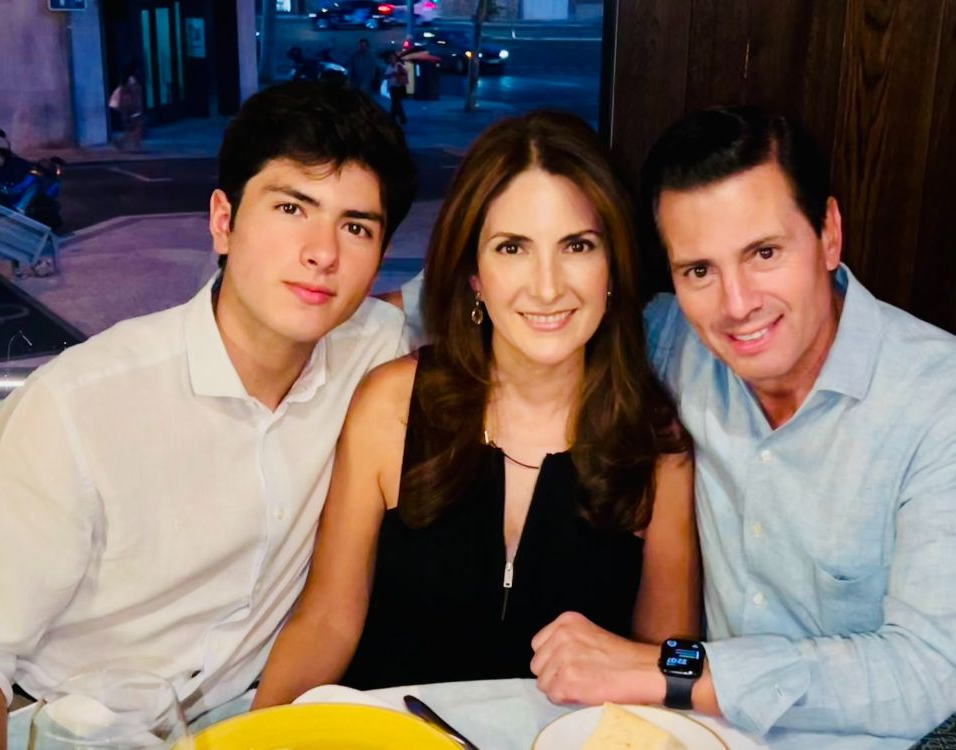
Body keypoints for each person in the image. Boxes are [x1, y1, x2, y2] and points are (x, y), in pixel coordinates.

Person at [0, 80, 417, 750]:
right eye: (292, 208)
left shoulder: (372, 350)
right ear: (224, 221)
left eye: (356, 227)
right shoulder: (80, 406)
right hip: (73, 727)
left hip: (249, 721)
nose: (323, 253)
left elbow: (479, 302)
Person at [524, 107, 956, 743]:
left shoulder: (947, 396)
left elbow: (933, 677)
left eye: (764, 252)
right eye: (699, 270)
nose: (737, 304)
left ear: (829, 234)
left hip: (945, 730)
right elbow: (524, 307)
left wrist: (666, 668)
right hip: (735, 728)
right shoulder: (674, 342)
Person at [251, 110, 699, 708]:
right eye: (512, 248)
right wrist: (258, 735)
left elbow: (677, 654)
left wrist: (663, 670)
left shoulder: (657, 442)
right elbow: (327, 621)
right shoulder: (393, 403)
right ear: (475, 276)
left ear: (613, 265)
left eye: (577, 246)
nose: (547, 287)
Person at [108, 68, 144, 151]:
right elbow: (132, 100)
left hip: (132, 110)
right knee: (137, 128)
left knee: (133, 129)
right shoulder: (131, 85)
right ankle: (134, 145)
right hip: (133, 111)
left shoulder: (128, 86)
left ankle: (126, 143)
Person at [383, 51, 408, 126]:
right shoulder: (389, 67)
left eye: (393, 58)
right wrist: (392, 74)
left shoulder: (399, 65)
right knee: (396, 103)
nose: (391, 59)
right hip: (392, 87)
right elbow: (386, 76)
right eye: (390, 58)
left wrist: (398, 73)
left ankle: (395, 117)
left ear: (395, 59)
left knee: (396, 103)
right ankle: (400, 117)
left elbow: (405, 73)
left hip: (399, 86)